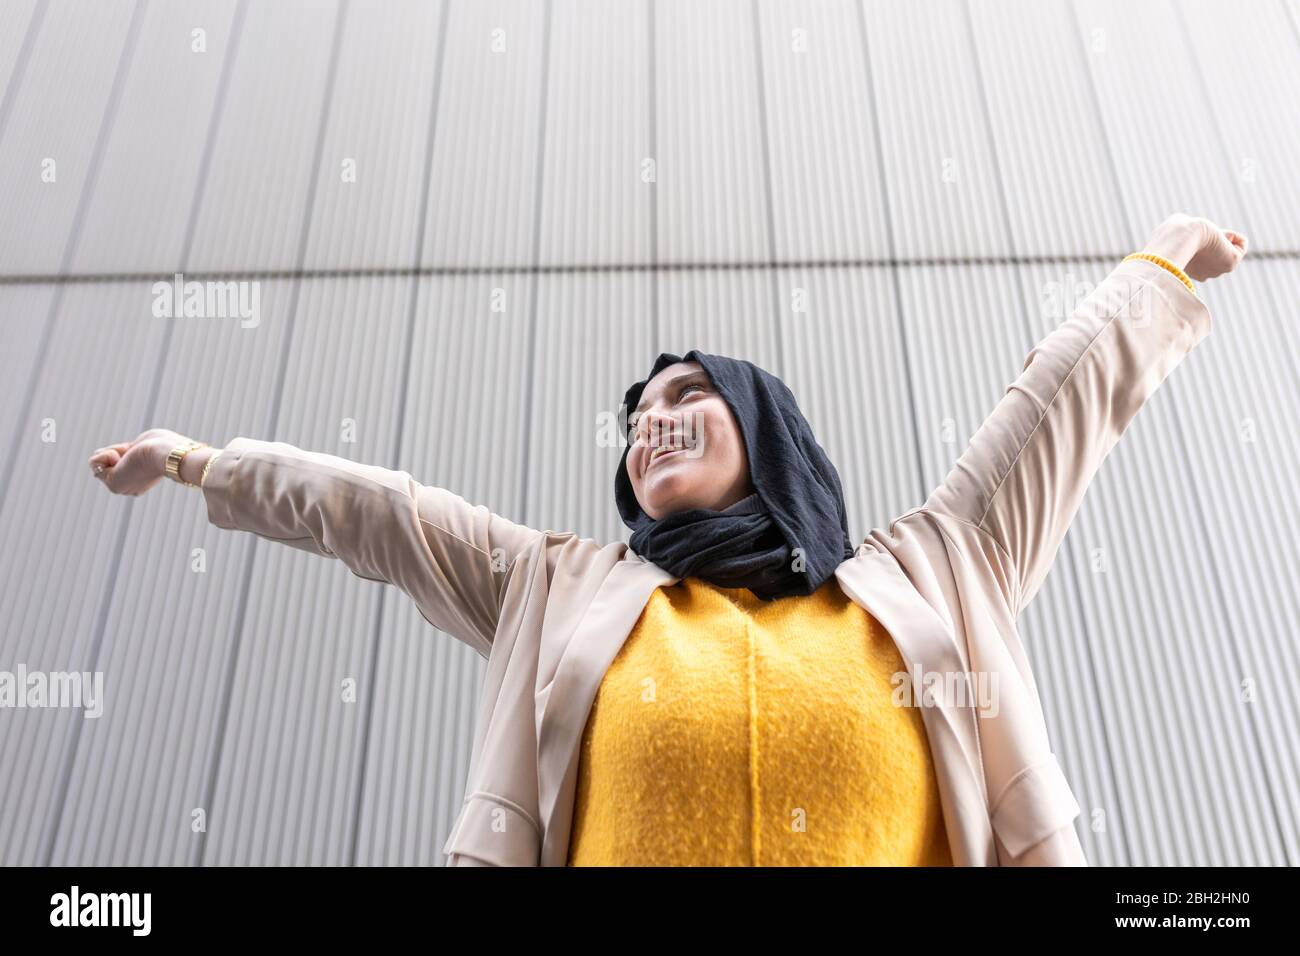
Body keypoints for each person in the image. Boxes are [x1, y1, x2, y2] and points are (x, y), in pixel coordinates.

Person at [89, 213, 1247, 865]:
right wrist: (202, 460)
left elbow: (1048, 407)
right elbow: (377, 512)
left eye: (685, 396)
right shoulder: (554, 585)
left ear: (766, 428)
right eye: (636, 422)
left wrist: (1154, 277)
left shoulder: (938, 566)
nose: (651, 423)